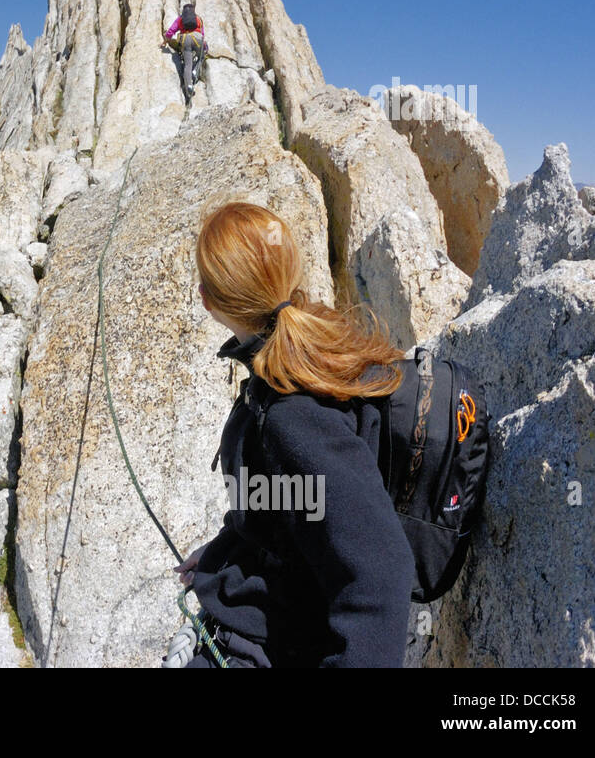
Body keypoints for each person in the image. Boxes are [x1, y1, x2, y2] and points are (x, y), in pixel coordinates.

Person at [173, 201, 416, 667]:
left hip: (266, 647)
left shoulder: (292, 414)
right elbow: (296, 506)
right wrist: (222, 552)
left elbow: (382, 571)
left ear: (209, 300)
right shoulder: (307, 360)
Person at [163, 3, 205, 94]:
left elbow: (171, 31)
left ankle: (189, 86)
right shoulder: (198, 19)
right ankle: (195, 70)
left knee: (187, 65)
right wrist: (204, 46)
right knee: (202, 54)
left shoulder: (180, 19)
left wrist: (165, 41)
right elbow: (202, 34)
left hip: (185, 39)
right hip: (197, 38)